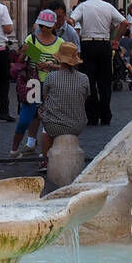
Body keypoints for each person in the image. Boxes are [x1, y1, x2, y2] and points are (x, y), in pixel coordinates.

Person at [70, 0, 128, 126]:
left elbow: (71, 21)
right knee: (105, 81)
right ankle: (106, 114)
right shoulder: (107, 6)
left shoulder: (83, 6)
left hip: (88, 44)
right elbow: (124, 22)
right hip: (104, 45)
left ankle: (92, 115)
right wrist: (116, 39)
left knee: (89, 81)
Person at [12, 9, 63, 158]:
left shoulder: (60, 43)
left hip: (52, 84)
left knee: (49, 117)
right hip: (33, 82)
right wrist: (23, 52)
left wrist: (50, 66)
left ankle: (43, 149)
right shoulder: (32, 39)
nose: (44, 28)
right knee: (27, 117)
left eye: (47, 26)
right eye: (41, 25)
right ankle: (18, 147)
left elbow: (66, 66)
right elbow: (20, 61)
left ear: (53, 26)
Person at [39, 41, 89, 172]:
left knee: (44, 123)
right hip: (77, 125)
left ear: (59, 60)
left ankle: (45, 160)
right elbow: (83, 99)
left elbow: (46, 99)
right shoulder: (84, 78)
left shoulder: (50, 77)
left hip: (53, 125)